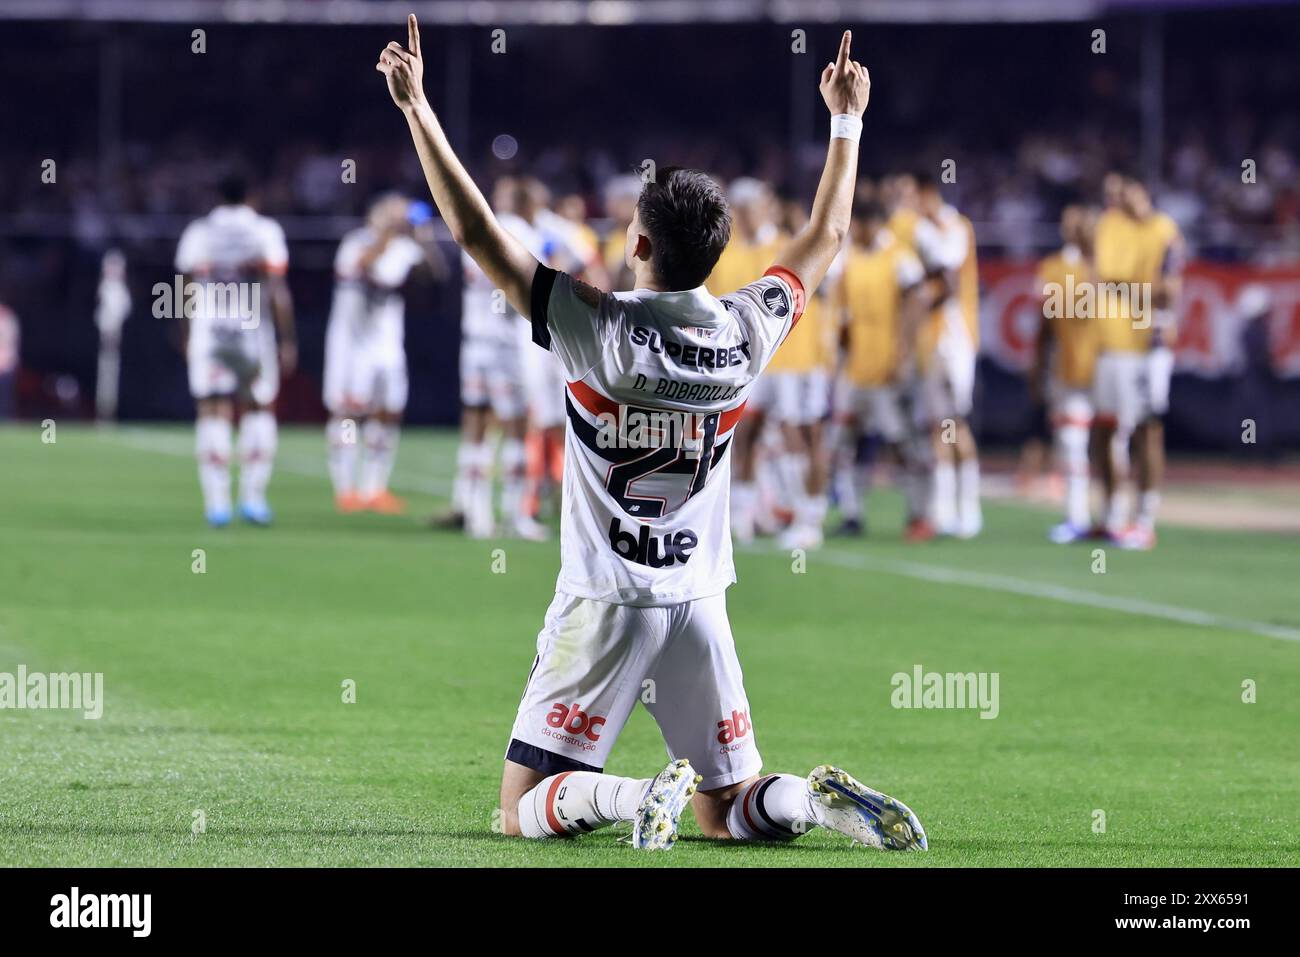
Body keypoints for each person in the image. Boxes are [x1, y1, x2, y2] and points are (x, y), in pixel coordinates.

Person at [377, 17, 927, 851]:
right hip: (698, 600)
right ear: (718, 253)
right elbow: (826, 238)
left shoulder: (594, 325)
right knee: (730, 806)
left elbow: (477, 232)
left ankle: (637, 793)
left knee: (520, 809)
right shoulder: (745, 328)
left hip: (605, 601)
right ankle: (811, 803)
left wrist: (418, 107)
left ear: (635, 242)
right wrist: (845, 121)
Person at [175, 173, 295, 527]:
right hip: (251, 332)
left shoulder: (199, 232)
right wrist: (287, 339)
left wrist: (185, 331)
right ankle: (253, 499)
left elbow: (184, 285)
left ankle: (217, 505)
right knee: (258, 407)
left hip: (209, 332)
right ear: (252, 195)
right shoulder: (264, 231)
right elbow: (277, 290)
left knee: (213, 410)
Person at [323, 194, 446, 513]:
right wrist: (386, 235)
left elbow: (436, 277)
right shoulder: (355, 242)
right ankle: (345, 487)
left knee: (387, 412)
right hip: (351, 345)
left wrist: (425, 239)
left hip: (387, 345)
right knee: (349, 412)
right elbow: (365, 267)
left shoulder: (406, 247)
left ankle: (374, 487)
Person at [1092, 177, 1184, 549]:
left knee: (1147, 428)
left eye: (1122, 191)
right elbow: (1101, 280)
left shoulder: (1163, 230)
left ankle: (1145, 520)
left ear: (1142, 191)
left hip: (1149, 340)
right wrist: (1131, 287)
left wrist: (1120, 286)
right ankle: (1113, 514)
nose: (1114, 199)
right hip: (1112, 342)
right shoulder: (1109, 226)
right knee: (1105, 429)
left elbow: (1168, 293)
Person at [832, 199, 932, 538]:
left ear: (873, 224)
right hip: (857, 369)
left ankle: (919, 513)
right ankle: (852, 513)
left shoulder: (898, 257)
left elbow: (919, 300)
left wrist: (904, 351)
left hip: (888, 369)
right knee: (849, 441)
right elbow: (844, 317)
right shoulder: (851, 258)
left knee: (901, 442)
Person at [914, 175, 982, 538]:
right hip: (933, 338)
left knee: (958, 421)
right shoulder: (923, 229)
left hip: (956, 337)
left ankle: (969, 508)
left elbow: (950, 277)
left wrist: (925, 296)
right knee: (938, 423)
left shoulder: (956, 225)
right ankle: (943, 509)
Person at [1033, 204, 1100, 543]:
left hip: (1106, 365)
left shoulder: (1110, 264)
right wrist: (1037, 365)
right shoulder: (1054, 267)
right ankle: (1077, 516)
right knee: (1072, 445)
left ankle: (1116, 518)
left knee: (1110, 444)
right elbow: (1045, 324)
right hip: (1070, 365)